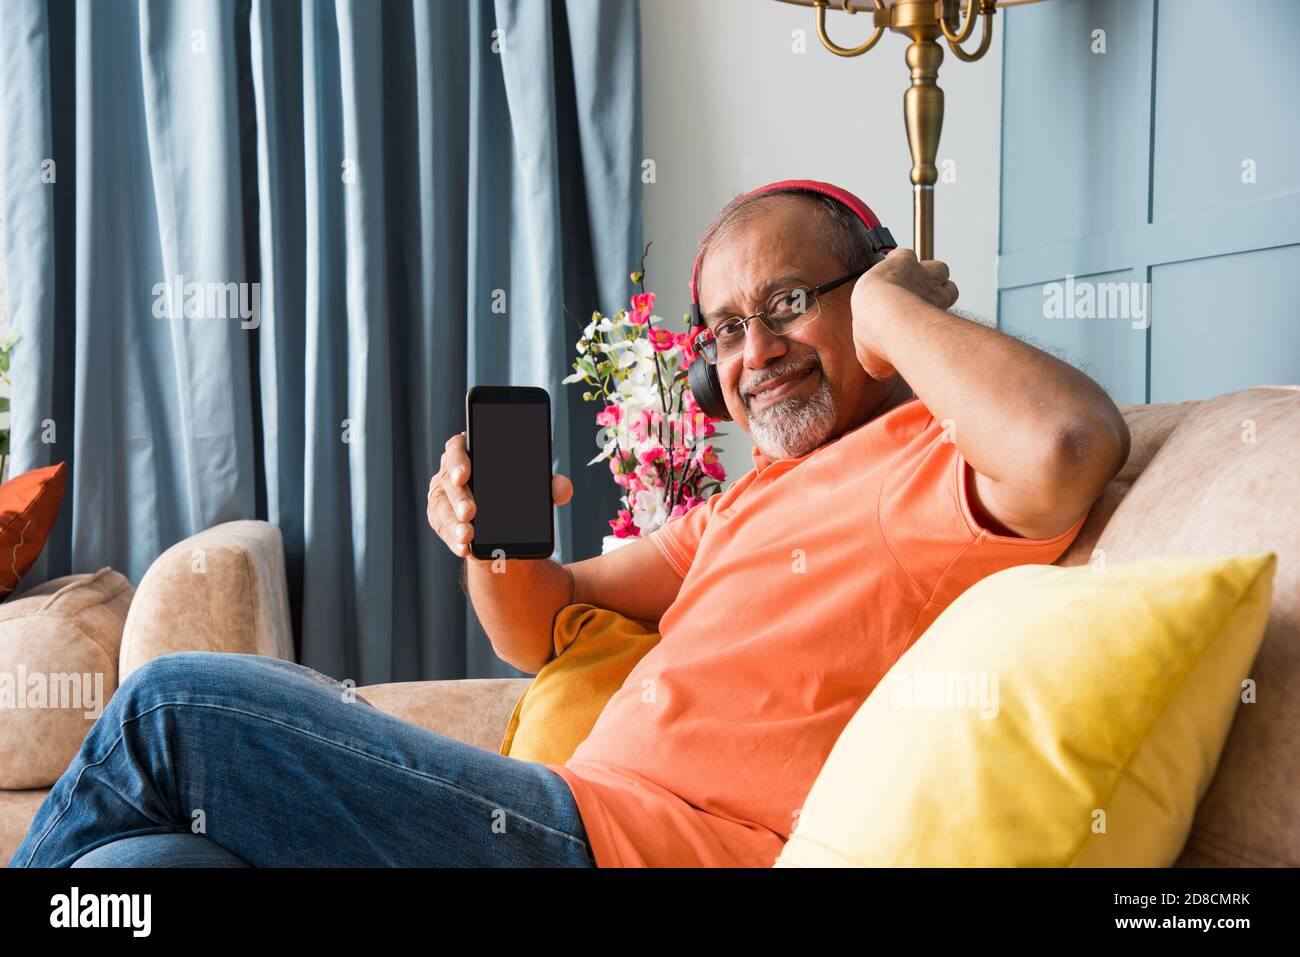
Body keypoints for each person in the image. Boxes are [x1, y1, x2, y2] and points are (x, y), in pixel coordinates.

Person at [9, 181, 1127, 868]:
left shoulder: (928, 464)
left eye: (791, 303)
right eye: (726, 329)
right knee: (149, 869)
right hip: (558, 821)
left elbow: (1066, 448)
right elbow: (544, 624)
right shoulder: (749, 504)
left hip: (618, 850)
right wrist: (494, 540)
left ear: (869, 292)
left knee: (174, 700)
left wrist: (889, 302)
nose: (756, 353)